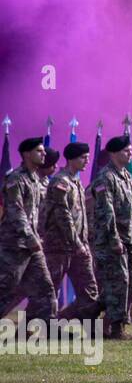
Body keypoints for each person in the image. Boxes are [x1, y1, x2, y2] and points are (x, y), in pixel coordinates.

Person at [39, 142, 103, 320]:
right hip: (59, 247)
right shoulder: (61, 182)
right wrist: (77, 244)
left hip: (78, 247)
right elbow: (63, 217)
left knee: (89, 290)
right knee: (50, 290)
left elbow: (81, 217)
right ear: (71, 159)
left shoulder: (76, 182)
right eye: (83, 157)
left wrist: (83, 243)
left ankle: (91, 331)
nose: (87, 160)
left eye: (87, 157)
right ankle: (37, 328)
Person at [0, 137, 58, 323]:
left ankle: (46, 327)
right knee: (6, 288)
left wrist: (37, 237)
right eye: (39, 151)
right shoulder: (15, 178)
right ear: (26, 154)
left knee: (45, 287)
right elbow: (16, 211)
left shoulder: (35, 179)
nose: (44, 154)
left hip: (33, 245)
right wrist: (30, 237)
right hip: (14, 245)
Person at [88, 135, 132, 339]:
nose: (130, 153)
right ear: (113, 153)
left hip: (130, 238)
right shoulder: (105, 177)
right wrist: (115, 239)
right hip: (114, 240)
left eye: (130, 150)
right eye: (126, 151)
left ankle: (91, 312)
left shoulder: (126, 177)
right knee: (120, 282)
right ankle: (116, 327)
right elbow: (106, 212)